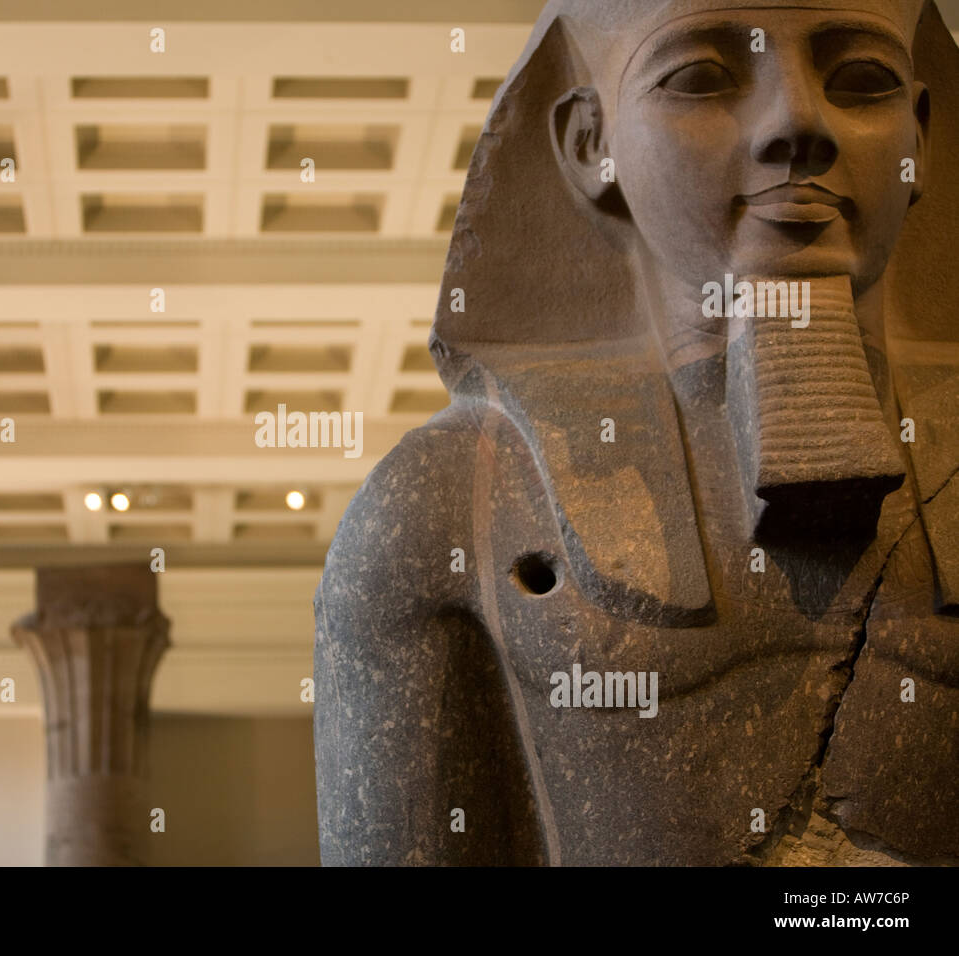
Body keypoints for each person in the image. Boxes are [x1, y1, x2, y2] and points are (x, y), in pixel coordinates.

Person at [314, 0, 959, 866]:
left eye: (861, 82)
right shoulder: (446, 506)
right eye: (700, 77)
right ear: (591, 143)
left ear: (920, 131)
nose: (799, 123)